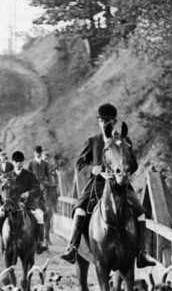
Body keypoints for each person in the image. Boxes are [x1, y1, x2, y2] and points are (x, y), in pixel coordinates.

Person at [59, 103, 154, 267]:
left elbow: (135, 165)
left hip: (120, 186)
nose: (104, 124)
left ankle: (141, 252)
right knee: (80, 209)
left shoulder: (124, 140)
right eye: (102, 121)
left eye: (108, 121)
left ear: (115, 122)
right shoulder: (93, 141)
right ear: (99, 122)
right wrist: (94, 169)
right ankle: (72, 247)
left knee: (140, 212)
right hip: (97, 185)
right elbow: (79, 165)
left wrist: (124, 170)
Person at [0, 151, 48, 254]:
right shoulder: (7, 176)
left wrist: (28, 193)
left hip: (27, 204)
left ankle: (39, 242)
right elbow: (1, 190)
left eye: (20, 162)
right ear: (13, 162)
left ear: (23, 162)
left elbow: (37, 189)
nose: (18, 164)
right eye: (16, 162)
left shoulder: (30, 175)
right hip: (10, 205)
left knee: (39, 215)